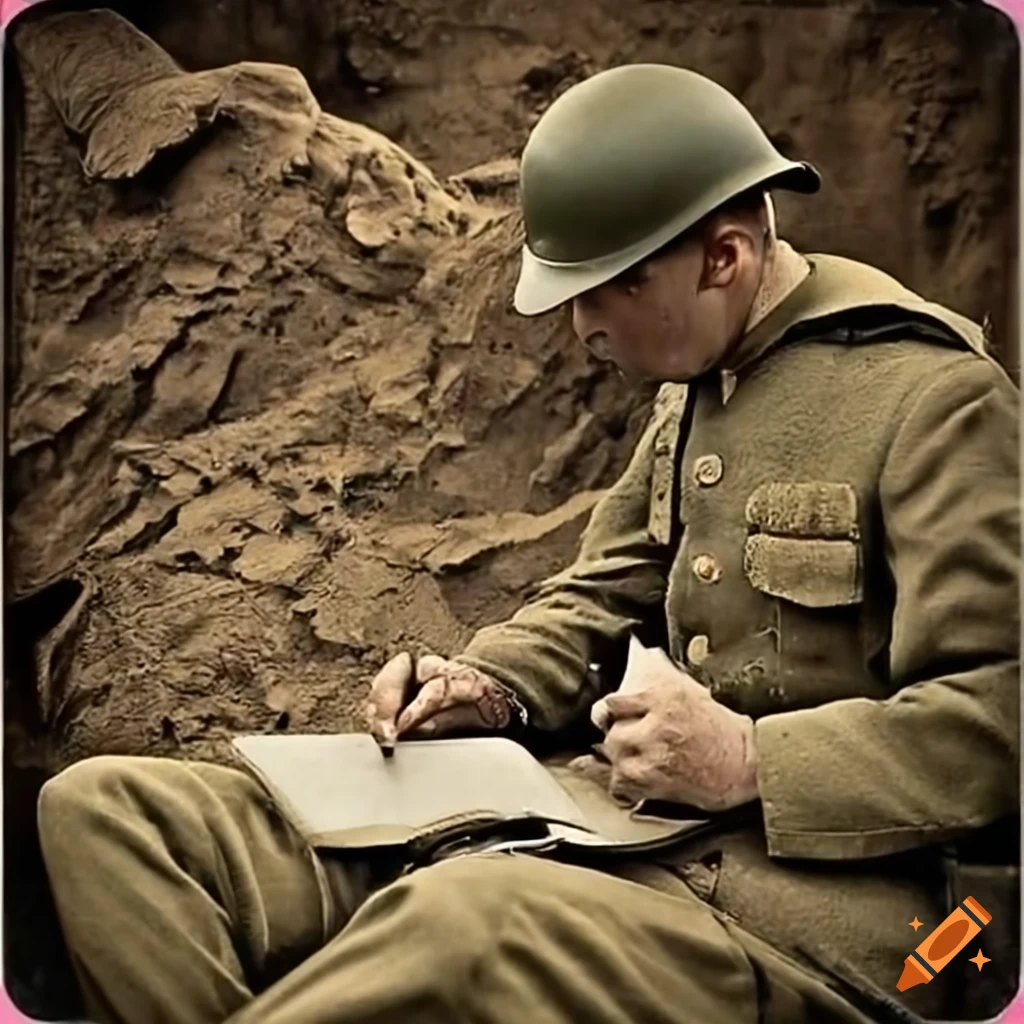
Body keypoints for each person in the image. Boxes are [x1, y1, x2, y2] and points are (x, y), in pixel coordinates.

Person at [37, 64, 1018, 1024]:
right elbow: (596, 597)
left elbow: (1000, 719)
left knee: (462, 924)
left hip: (826, 918)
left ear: (723, 258)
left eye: (607, 291)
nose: (580, 326)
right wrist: (486, 684)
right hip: (597, 827)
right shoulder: (701, 379)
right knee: (112, 813)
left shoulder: (932, 401)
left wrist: (753, 759)